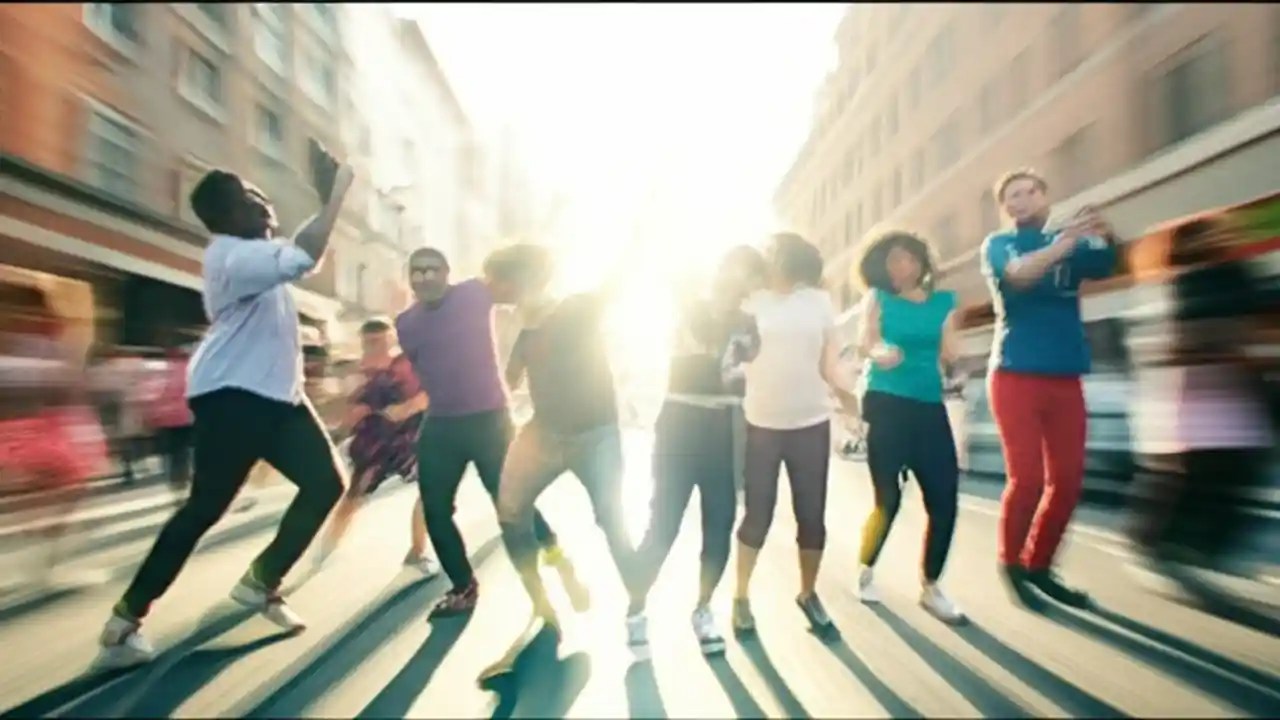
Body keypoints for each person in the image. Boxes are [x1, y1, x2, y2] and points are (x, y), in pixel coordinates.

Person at [94, 140, 355, 670]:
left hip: (279, 398)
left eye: (259, 192)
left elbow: (296, 255)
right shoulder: (233, 256)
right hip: (233, 398)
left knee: (328, 483)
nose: (263, 200)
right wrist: (335, 199)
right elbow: (305, 255)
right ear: (226, 216)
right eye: (249, 197)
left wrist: (324, 200)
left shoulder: (256, 254)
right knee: (204, 510)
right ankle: (124, 623)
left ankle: (261, 583)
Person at [395, 247, 575, 618]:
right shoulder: (405, 323)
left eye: (433, 270)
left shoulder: (474, 294)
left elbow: (515, 290)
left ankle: (555, 553)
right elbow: (423, 368)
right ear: (409, 278)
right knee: (435, 509)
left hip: (489, 421)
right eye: (417, 272)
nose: (425, 277)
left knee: (509, 502)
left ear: (448, 273)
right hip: (441, 424)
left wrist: (540, 288)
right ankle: (463, 588)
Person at [980, 168, 1119, 611]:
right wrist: (1063, 244)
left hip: (1065, 376)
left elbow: (1109, 261)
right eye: (1011, 197)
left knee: (1069, 480)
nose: (1019, 202)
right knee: (1028, 479)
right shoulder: (999, 245)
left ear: (1044, 196)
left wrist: (1101, 231)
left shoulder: (1071, 239)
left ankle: (1039, 564)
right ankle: (1010, 563)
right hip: (1015, 374)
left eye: (1027, 193)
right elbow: (1019, 277)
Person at [626, 245, 766, 658]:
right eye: (735, 271)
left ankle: (703, 610)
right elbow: (699, 334)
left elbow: (747, 363)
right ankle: (636, 607)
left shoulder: (749, 323)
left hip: (724, 429)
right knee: (663, 524)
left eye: (749, 276)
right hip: (680, 425)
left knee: (720, 523)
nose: (740, 281)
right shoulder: (690, 305)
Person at [489, 242, 635, 632]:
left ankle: (637, 607)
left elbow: (619, 276)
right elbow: (506, 383)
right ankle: (540, 602)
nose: (511, 302)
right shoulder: (524, 336)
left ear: (534, 283)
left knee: (611, 520)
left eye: (512, 291)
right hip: (544, 434)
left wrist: (646, 220)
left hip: (596, 437)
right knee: (510, 511)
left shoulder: (578, 308)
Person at [1128, 217, 1275, 578]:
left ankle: (1199, 545)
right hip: (1195, 391)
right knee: (1194, 475)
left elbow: (1262, 310)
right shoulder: (1177, 282)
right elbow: (1174, 337)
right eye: (1204, 234)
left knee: (1234, 472)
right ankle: (1156, 539)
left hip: (1232, 390)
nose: (1216, 237)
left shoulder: (1235, 273)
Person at [732, 233, 858, 635]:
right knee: (758, 514)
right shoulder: (747, 302)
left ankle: (808, 593)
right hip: (760, 423)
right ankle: (740, 596)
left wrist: (850, 398)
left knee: (812, 515)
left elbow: (830, 362)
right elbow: (731, 359)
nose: (795, 279)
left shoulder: (818, 302)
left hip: (811, 423)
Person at [850, 229, 966, 624]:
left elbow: (951, 351)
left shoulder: (944, 303)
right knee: (889, 499)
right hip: (886, 405)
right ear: (881, 268)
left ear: (922, 263)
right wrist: (883, 353)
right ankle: (866, 567)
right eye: (892, 260)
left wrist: (955, 363)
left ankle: (931, 586)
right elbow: (867, 341)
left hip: (929, 408)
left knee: (945, 498)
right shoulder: (878, 298)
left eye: (909, 259)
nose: (901, 266)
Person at [315, 318, 438, 576]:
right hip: (375, 445)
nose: (373, 347)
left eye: (379, 341)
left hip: (412, 440)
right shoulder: (359, 373)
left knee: (430, 492)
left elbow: (430, 392)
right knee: (354, 497)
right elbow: (351, 410)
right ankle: (323, 551)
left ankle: (417, 553)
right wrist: (340, 427)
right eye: (368, 342)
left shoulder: (408, 364)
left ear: (391, 340)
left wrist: (408, 407)